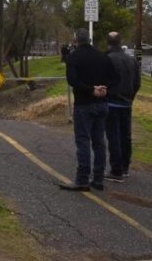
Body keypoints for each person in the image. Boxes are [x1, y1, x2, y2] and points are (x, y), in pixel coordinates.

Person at [60, 28, 119, 191]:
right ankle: (99, 179)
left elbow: (72, 80)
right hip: (102, 104)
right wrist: (105, 88)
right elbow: (116, 78)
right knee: (99, 142)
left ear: (76, 41)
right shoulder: (103, 56)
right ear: (90, 40)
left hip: (83, 104)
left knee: (83, 141)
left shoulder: (73, 58)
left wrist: (90, 89)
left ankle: (82, 179)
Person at [104, 32, 140, 182]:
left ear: (108, 43)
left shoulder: (107, 59)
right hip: (127, 102)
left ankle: (116, 170)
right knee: (126, 136)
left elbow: (103, 80)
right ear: (120, 42)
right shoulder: (131, 60)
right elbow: (137, 83)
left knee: (114, 137)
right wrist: (131, 97)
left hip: (111, 102)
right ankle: (125, 167)